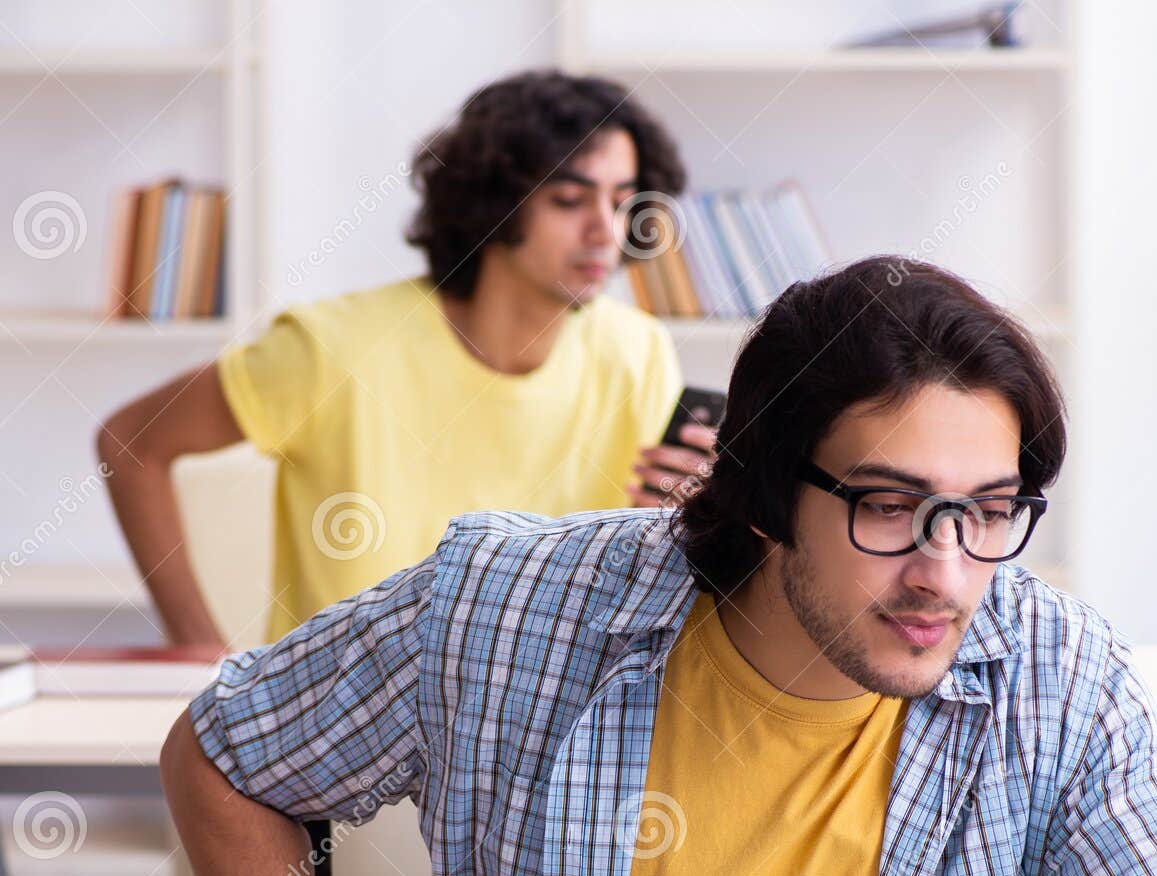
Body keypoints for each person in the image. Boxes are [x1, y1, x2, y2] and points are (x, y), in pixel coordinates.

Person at [160, 256, 1157, 876]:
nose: (946, 574)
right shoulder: (502, 603)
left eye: (989, 511)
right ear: (770, 494)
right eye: (887, 507)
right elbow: (220, 749)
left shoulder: (1058, 671)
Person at [99, 69, 713, 649]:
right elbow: (130, 443)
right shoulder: (331, 348)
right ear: (495, 204)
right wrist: (203, 656)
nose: (607, 230)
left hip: (537, 728)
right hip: (335, 732)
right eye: (570, 200)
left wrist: (703, 513)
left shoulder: (639, 352)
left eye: (622, 200)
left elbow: (634, 568)